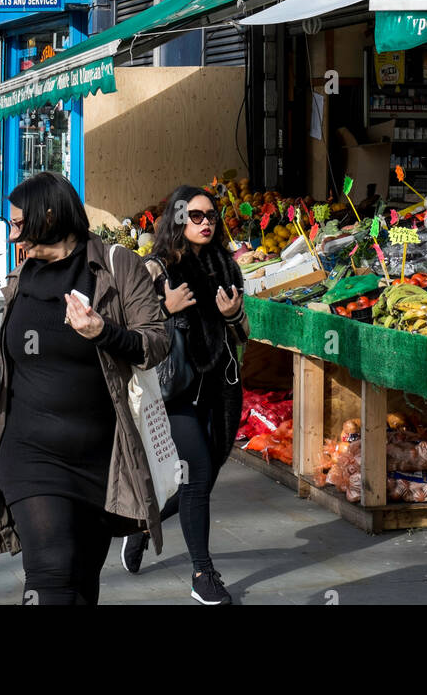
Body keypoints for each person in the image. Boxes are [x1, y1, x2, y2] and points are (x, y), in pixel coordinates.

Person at [0, 172, 170, 606]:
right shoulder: (22, 275)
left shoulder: (116, 265)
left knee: (80, 583)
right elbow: (7, 350)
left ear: (50, 217)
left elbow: (156, 342)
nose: (13, 233)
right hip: (29, 453)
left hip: (101, 461)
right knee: (51, 574)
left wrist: (103, 331)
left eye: (19, 224)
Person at [121, 184, 249, 606]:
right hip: (174, 389)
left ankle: (144, 527)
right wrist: (165, 308)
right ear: (178, 219)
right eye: (195, 215)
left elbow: (244, 334)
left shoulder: (225, 267)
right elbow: (124, 324)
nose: (206, 222)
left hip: (218, 390)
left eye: (211, 215)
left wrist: (233, 315)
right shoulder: (156, 268)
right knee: (194, 474)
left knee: (202, 480)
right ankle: (203, 574)